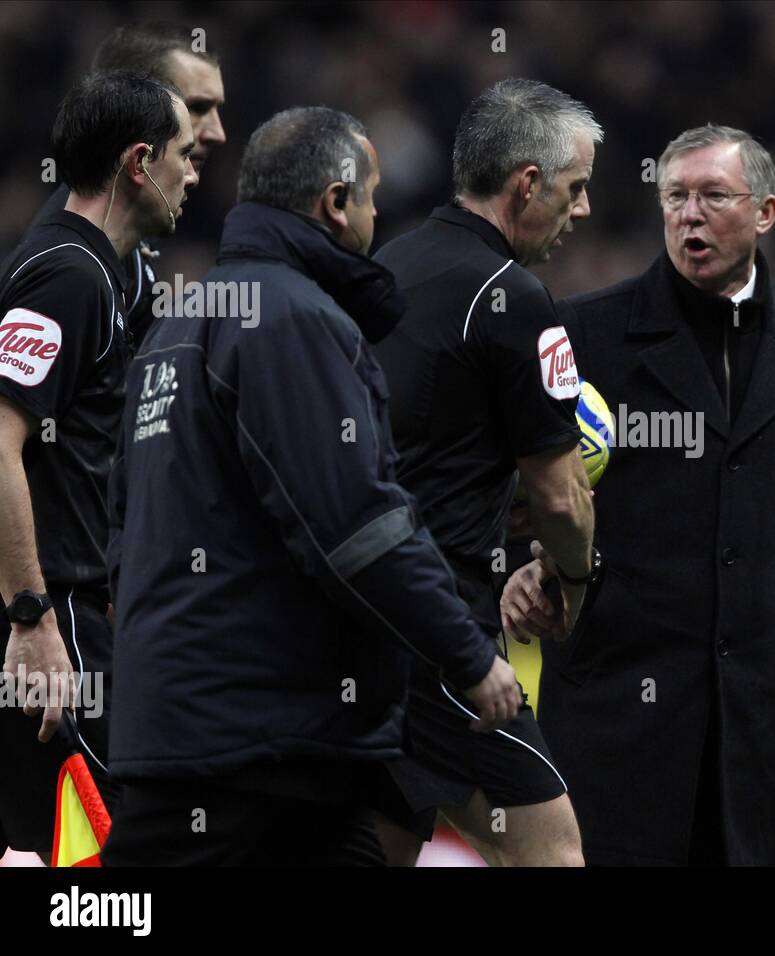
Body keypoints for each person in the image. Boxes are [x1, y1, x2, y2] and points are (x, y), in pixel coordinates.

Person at [100, 107, 517, 866]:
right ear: (334, 202)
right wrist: (469, 654)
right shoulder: (291, 320)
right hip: (254, 748)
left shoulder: (182, 320)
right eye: (370, 195)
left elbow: (121, 524)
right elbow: (355, 526)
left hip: (203, 731)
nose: (376, 213)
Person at [502, 124, 775, 865]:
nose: (690, 214)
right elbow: (511, 472)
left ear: (766, 213)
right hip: (616, 711)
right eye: (676, 197)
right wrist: (518, 566)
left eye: (714, 196)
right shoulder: (586, 332)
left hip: (757, 715)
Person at [371, 78, 597, 867]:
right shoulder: (513, 296)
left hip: (355, 624)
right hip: (441, 633)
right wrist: (570, 580)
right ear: (526, 185)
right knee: (551, 852)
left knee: (382, 850)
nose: (585, 210)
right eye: (575, 189)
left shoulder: (383, 268)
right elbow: (563, 497)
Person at [0, 71, 197, 862]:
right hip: (56, 623)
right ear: (139, 161)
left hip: (79, 611)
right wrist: (31, 618)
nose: (195, 169)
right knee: (119, 869)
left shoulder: (115, 274)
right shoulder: (68, 276)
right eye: (184, 152)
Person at [31, 21, 227, 343]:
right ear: (132, 100)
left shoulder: (127, 237)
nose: (219, 133)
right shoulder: (66, 268)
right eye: (197, 107)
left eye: (218, 109)